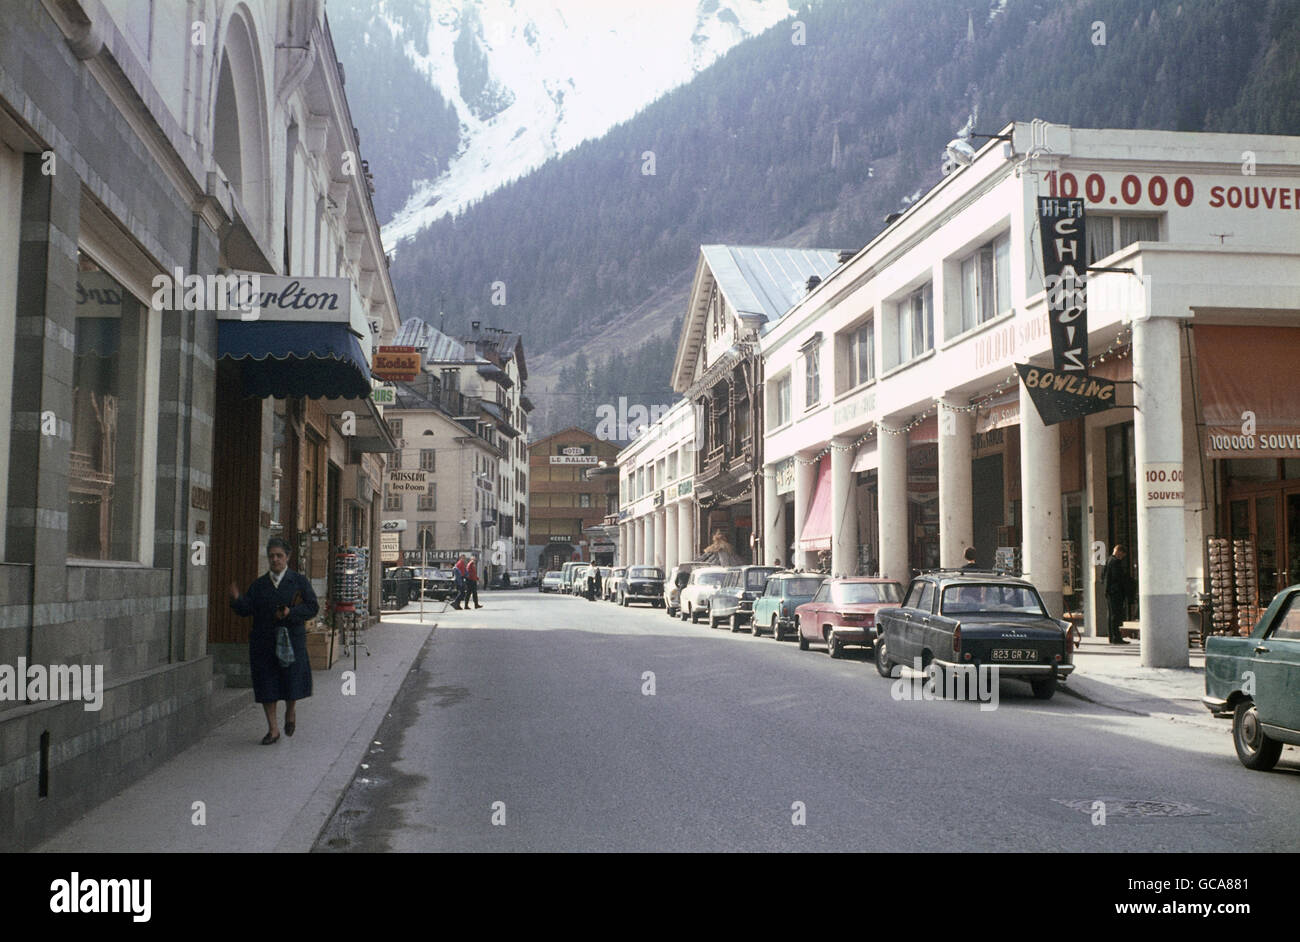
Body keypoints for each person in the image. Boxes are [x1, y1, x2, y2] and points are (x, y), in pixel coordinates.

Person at [229, 537, 319, 745]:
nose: (275, 560)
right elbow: (246, 609)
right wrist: (236, 599)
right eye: (272, 556)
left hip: (291, 641)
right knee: (267, 684)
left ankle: (290, 711)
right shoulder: (259, 585)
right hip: (264, 642)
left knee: (291, 681)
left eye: (279, 556)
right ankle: (273, 729)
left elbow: (312, 607)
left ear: (287, 557)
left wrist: (292, 612)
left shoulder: (298, 582)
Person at [1102, 544, 1132, 645]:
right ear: (1119, 552)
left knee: (1111, 615)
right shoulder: (1116, 562)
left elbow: (1103, 576)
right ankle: (1116, 637)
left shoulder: (1108, 560)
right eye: (1122, 555)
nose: (1122, 557)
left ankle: (1112, 636)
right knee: (1116, 615)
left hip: (1109, 592)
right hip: (1115, 592)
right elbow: (1118, 578)